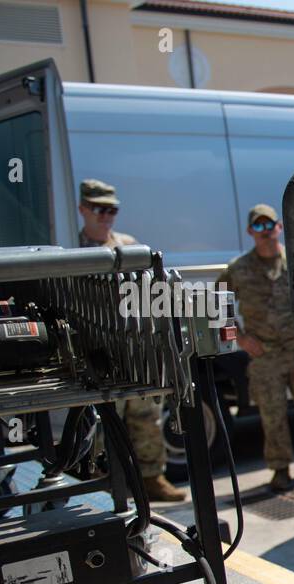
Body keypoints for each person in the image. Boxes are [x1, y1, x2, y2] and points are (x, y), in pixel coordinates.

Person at [217, 204, 294, 491]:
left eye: (269, 225)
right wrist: (240, 338)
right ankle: (280, 468)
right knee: (272, 415)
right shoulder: (238, 269)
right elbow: (217, 307)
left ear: (279, 227)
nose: (265, 232)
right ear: (250, 231)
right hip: (265, 355)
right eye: (258, 227)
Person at [77, 179, 187, 502]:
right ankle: (100, 483)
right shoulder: (72, 252)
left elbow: (151, 293)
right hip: (97, 351)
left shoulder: (128, 246)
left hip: (134, 346)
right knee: (98, 421)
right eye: (99, 209)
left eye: (112, 210)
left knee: (146, 414)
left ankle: (152, 477)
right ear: (83, 209)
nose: (106, 216)